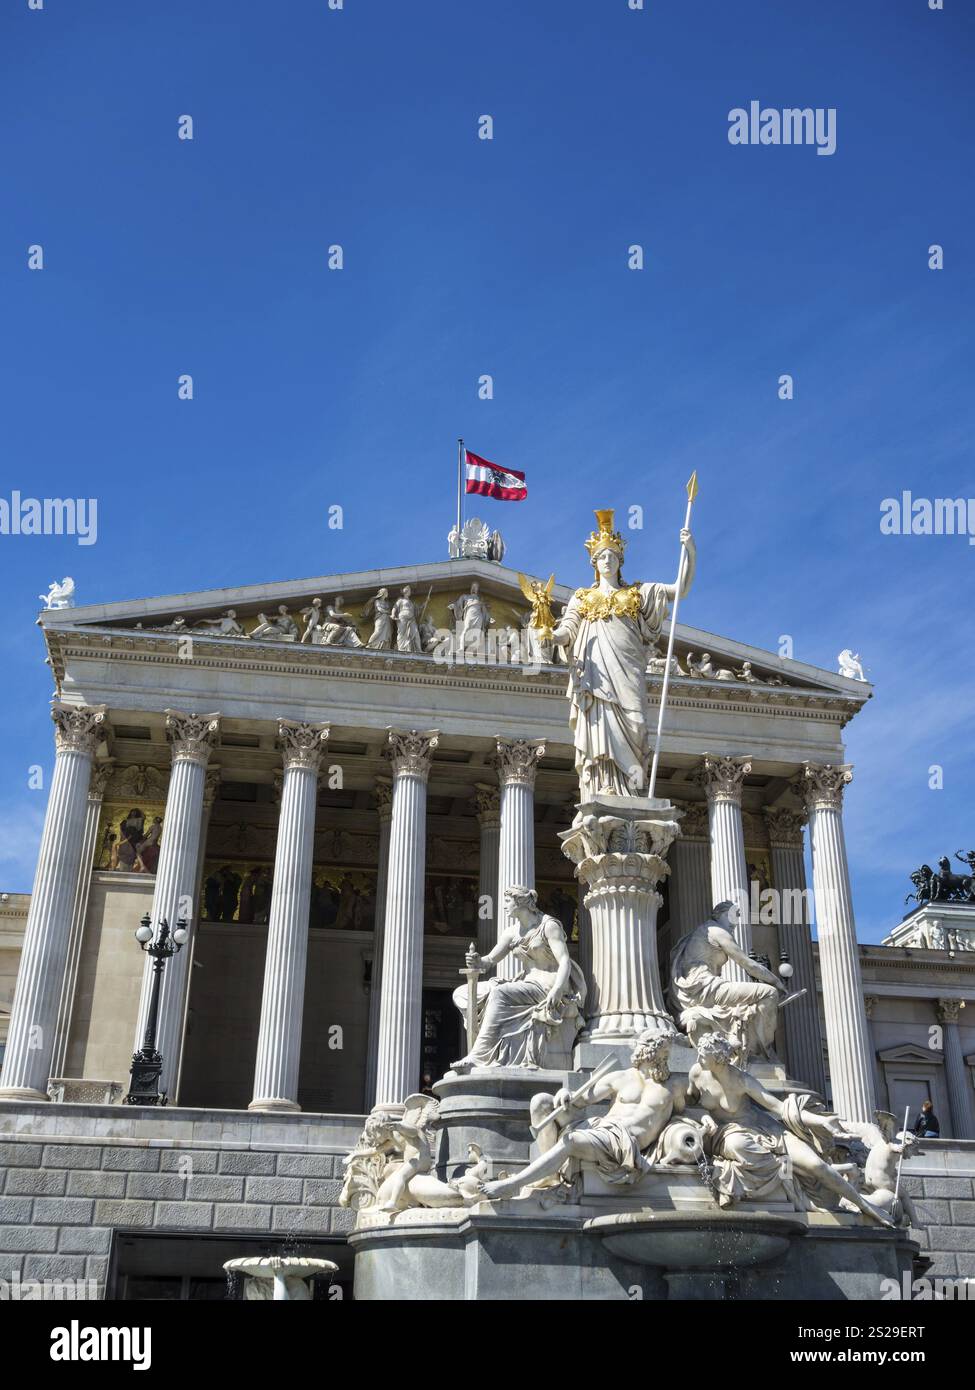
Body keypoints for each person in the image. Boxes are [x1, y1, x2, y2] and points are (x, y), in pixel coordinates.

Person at [546, 509, 695, 798]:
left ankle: (632, 792)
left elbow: (680, 589)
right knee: (600, 731)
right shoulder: (583, 598)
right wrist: (549, 634)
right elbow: (568, 631)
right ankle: (604, 788)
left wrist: (689, 550)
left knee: (636, 723)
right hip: (597, 678)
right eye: (602, 556)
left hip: (628, 674)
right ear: (594, 562)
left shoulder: (637, 594)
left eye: (612, 556)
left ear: (620, 561)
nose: (607, 560)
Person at [452, 885, 585, 1069]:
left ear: (520, 902)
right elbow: (489, 960)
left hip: (548, 985)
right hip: (526, 984)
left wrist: (557, 989)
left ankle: (478, 1056)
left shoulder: (548, 926)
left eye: (507, 901)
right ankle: (495, 1048)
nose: (504, 905)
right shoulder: (511, 933)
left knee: (500, 993)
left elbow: (564, 961)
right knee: (462, 993)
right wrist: (477, 961)